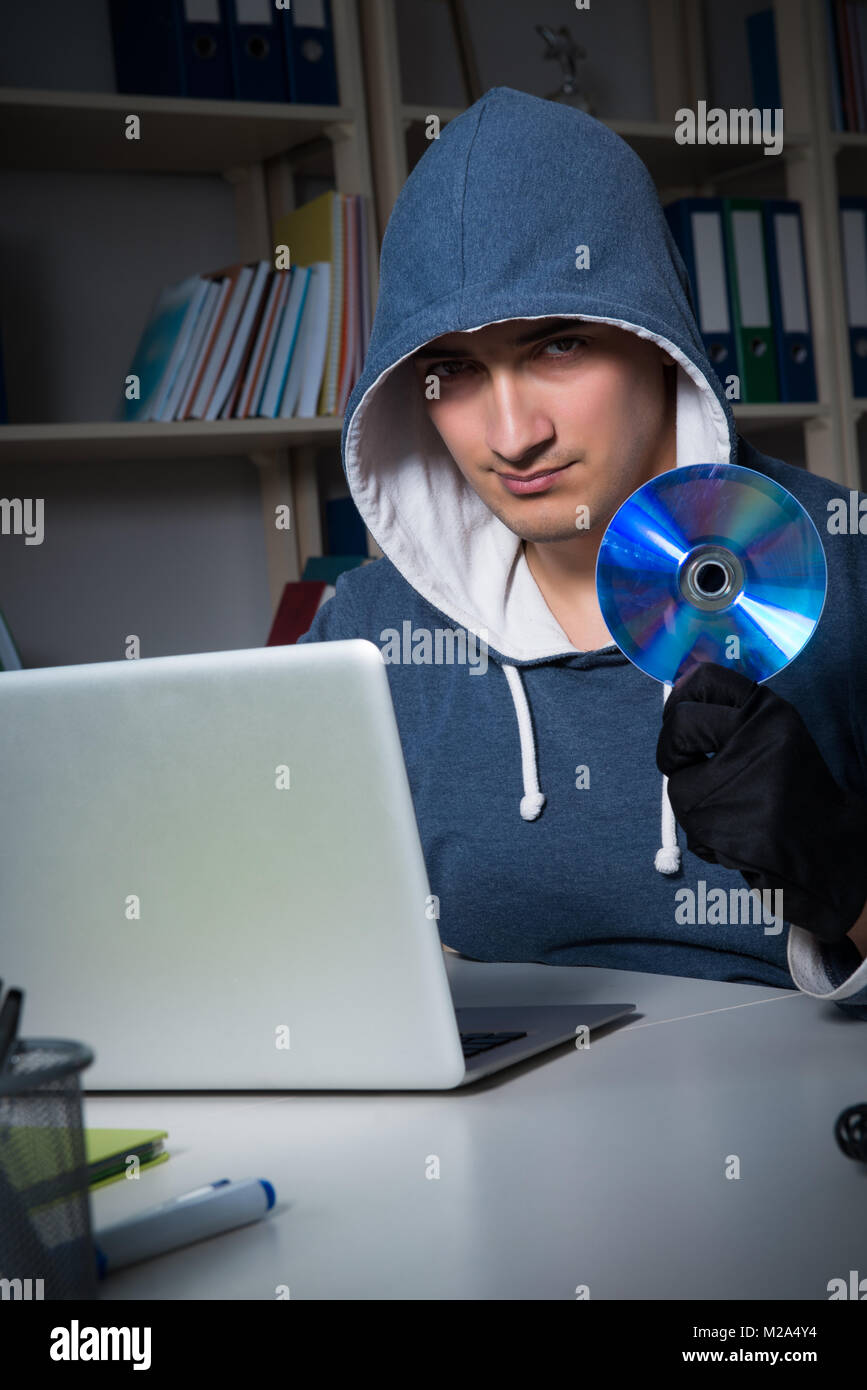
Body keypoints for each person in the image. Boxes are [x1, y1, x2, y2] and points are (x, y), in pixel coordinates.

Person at [298, 86, 867, 1018]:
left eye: (558, 344)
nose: (512, 434)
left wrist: (850, 884)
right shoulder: (367, 633)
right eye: (457, 372)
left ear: (659, 344)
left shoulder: (842, 569)